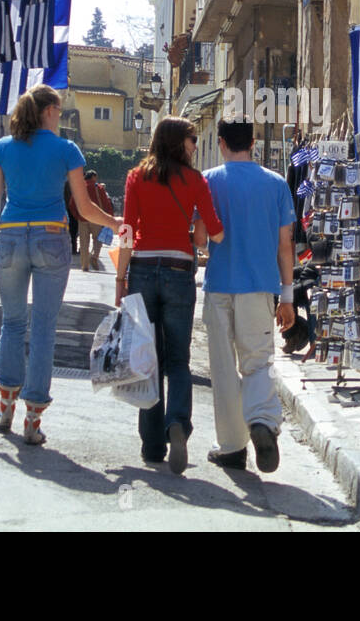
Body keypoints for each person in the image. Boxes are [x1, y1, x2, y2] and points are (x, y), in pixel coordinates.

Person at [0, 84, 119, 444]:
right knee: (44, 328)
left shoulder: (3, 148)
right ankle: (32, 420)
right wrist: (115, 223)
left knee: (13, 322)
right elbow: (83, 208)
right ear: (49, 111)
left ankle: (5, 408)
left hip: (10, 237)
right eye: (61, 109)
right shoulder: (66, 150)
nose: (62, 115)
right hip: (51, 237)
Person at [117, 116, 223, 474]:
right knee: (178, 358)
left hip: (143, 270)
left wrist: (121, 276)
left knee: (148, 358)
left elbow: (128, 230)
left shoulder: (135, 177)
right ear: (180, 143)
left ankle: (151, 444)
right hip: (179, 271)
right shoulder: (196, 180)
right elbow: (212, 231)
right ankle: (177, 422)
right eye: (193, 140)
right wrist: (205, 230)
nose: (195, 146)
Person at [201, 117, 296, 473]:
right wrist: (287, 297)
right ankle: (262, 422)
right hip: (261, 286)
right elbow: (285, 245)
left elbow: (199, 234)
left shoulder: (208, 181)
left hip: (220, 283)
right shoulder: (276, 184)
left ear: (222, 142)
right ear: (253, 142)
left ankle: (231, 446)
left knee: (223, 366)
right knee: (258, 360)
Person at [78, 169, 113, 272]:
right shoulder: (99, 188)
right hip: (96, 218)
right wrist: (109, 217)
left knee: (83, 243)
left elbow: (72, 203)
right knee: (98, 240)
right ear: (93, 177)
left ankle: (85, 265)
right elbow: (106, 203)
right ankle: (94, 256)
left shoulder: (80, 188)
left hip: (82, 218)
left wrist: (77, 215)